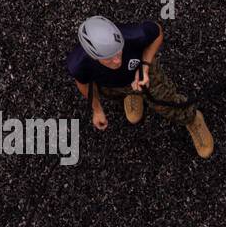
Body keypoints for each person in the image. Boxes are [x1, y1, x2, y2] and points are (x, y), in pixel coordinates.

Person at [66, 15, 214, 158]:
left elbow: (157, 32)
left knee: (166, 102)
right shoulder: (78, 64)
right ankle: (133, 94)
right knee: (114, 94)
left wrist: (145, 65)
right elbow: (84, 83)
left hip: (144, 73)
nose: (117, 61)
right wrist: (97, 110)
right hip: (112, 86)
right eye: (109, 58)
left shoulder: (134, 34)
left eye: (119, 50)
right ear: (93, 56)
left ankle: (191, 118)